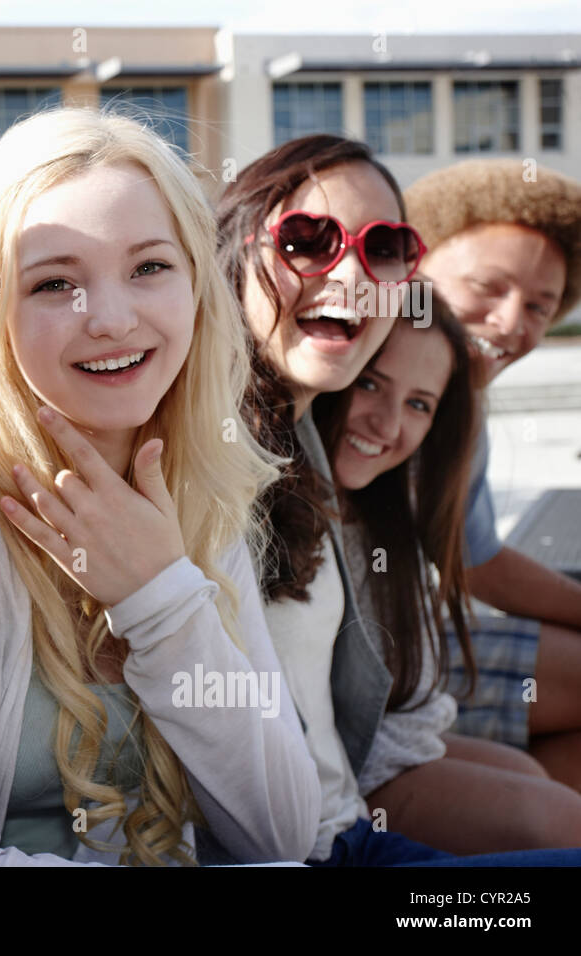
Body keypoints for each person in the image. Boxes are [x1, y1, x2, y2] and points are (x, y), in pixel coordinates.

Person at [0, 106, 321, 867]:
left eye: (149, 267)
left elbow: (284, 833)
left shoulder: (196, 500)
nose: (112, 319)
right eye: (56, 283)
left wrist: (161, 595)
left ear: (196, 284)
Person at [219, 133, 580, 864]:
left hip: (368, 765)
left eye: (381, 247)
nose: (513, 321)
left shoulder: (402, 429)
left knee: (544, 788)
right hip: (343, 806)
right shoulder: (250, 438)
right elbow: (479, 569)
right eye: (309, 239)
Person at [314, 300, 581, 852]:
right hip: (342, 778)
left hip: (400, 738)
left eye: (419, 404)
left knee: (534, 778)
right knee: (558, 822)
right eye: (368, 384)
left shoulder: (389, 501)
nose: (388, 424)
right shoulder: (294, 513)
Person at [403, 160, 581, 793]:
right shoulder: (381, 394)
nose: (513, 323)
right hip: (378, 656)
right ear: (415, 268)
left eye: (542, 305)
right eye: (487, 287)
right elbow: (475, 565)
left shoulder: (464, 399)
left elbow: (474, 558)